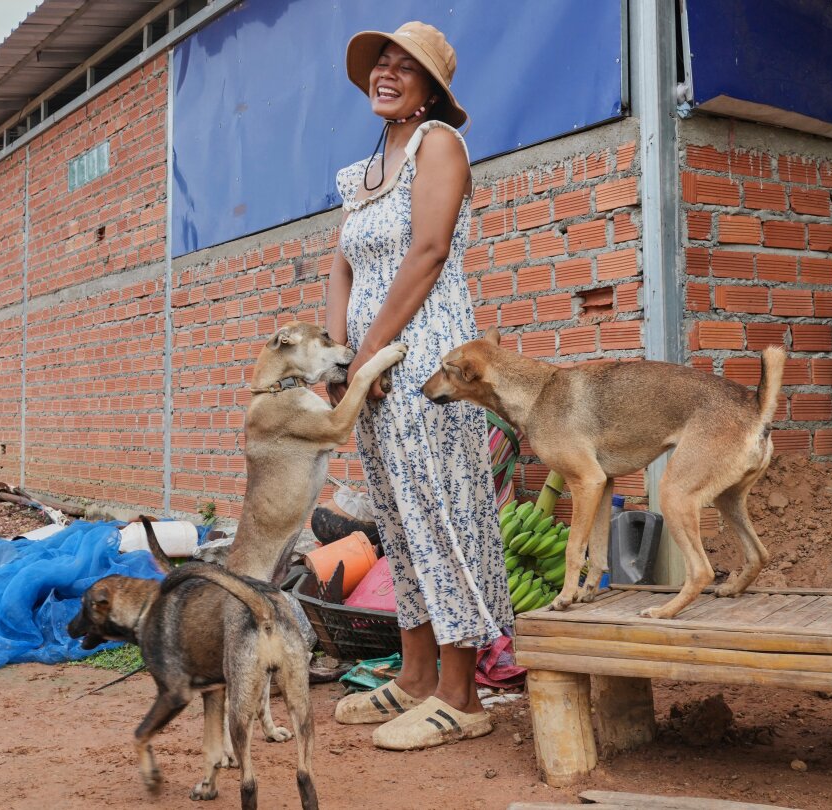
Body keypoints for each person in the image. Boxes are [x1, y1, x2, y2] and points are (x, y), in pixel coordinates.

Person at [325, 21, 511, 751]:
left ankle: (461, 696)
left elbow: (430, 250)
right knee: (399, 518)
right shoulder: (366, 169)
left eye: (407, 67)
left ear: (432, 89)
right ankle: (413, 676)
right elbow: (340, 264)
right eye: (382, 62)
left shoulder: (440, 145)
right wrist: (338, 357)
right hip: (373, 368)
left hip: (428, 360)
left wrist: (373, 352)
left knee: (444, 510)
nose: (388, 73)